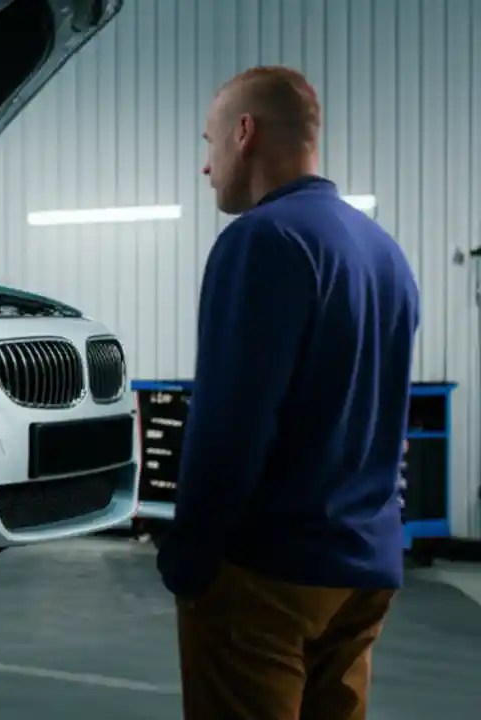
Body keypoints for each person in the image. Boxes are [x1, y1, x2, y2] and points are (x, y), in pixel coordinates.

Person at [155, 65, 419, 719]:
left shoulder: (263, 239)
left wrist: (189, 559)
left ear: (244, 133)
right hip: (363, 569)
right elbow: (386, 416)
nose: (206, 167)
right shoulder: (384, 252)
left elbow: (231, 424)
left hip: (270, 576)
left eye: (208, 142)